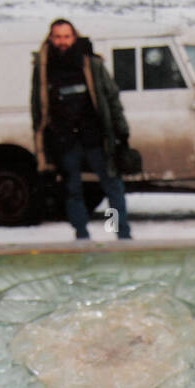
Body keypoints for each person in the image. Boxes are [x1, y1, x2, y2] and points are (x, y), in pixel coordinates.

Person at [30, 18, 132, 239]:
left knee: (112, 186)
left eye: (66, 36)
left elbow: (111, 97)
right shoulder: (43, 67)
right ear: (50, 38)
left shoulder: (91, 63)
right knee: (72, 190)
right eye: (58, 37)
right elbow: (37, 105)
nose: (62, 42)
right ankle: (81, 234)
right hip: (64, 139)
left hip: (95, 136)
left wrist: (121, 131)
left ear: (74, 37)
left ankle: (121, 232)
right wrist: (41, 140)